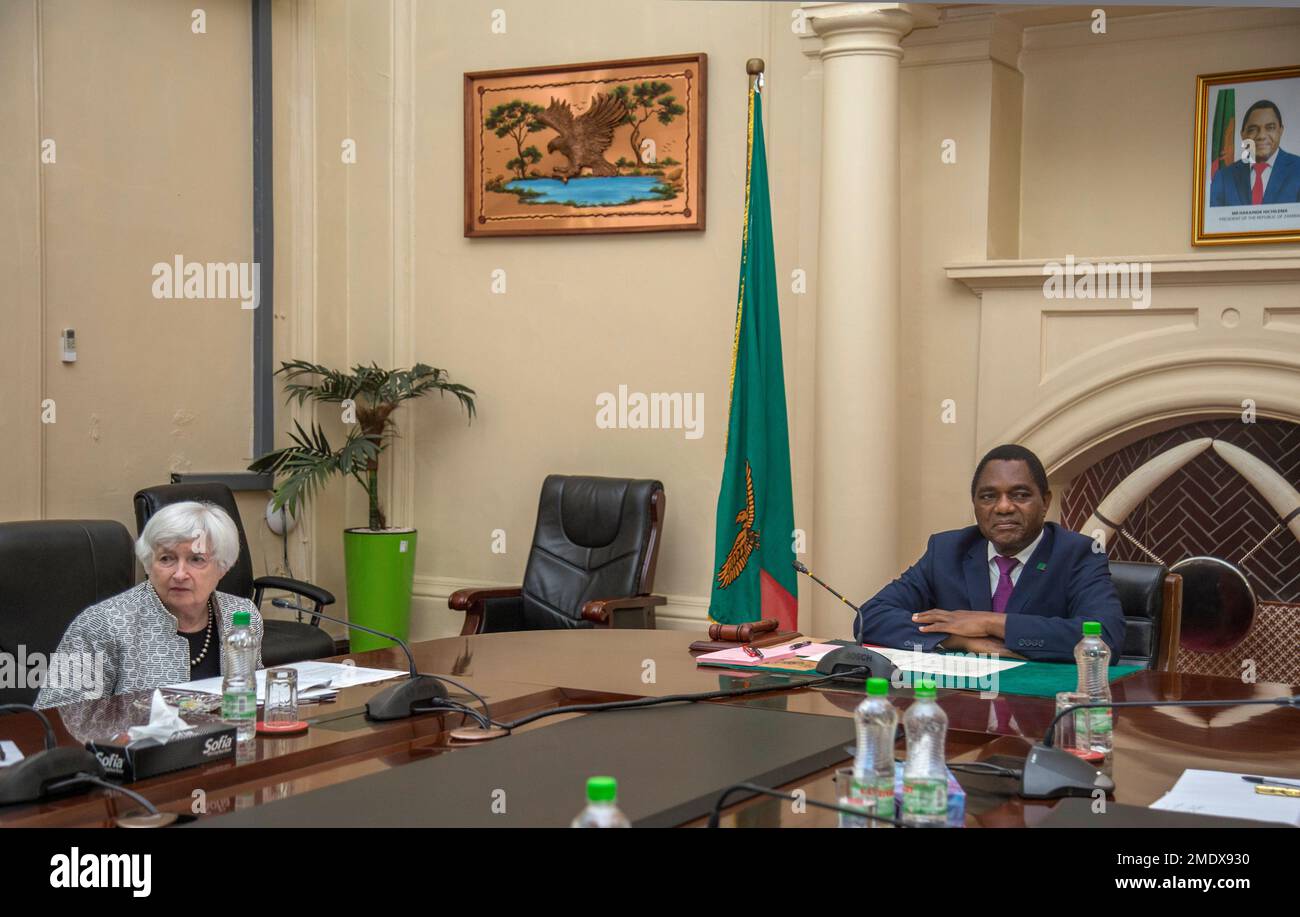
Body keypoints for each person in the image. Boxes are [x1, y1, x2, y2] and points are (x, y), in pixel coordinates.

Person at [855, 444, 1124, 662]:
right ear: (975, 505)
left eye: (1019, 495)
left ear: (1045, 502)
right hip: (961, 706)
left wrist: (991, 623)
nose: (1003, 507)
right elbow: (871, 617)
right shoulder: (947, 551)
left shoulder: (1077, 554)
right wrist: (960, 641)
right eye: (988, 497)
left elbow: (1104, 638)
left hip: (1037, 707)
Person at [34, 501, 263, 708]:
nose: (180, 574)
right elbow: (58, 717)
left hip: (225, 746)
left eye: (196, 559)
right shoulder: (103, 624)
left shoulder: (242, 615)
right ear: (148, 563)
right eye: (166, 559)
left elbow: (255, 697)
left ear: (223, 567)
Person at [1209, 99, 1300, 206]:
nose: (1261, 136)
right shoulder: (1223, 177)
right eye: (1253, 129)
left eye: (1270, 128)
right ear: (1243, 135)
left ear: (1281, 130)